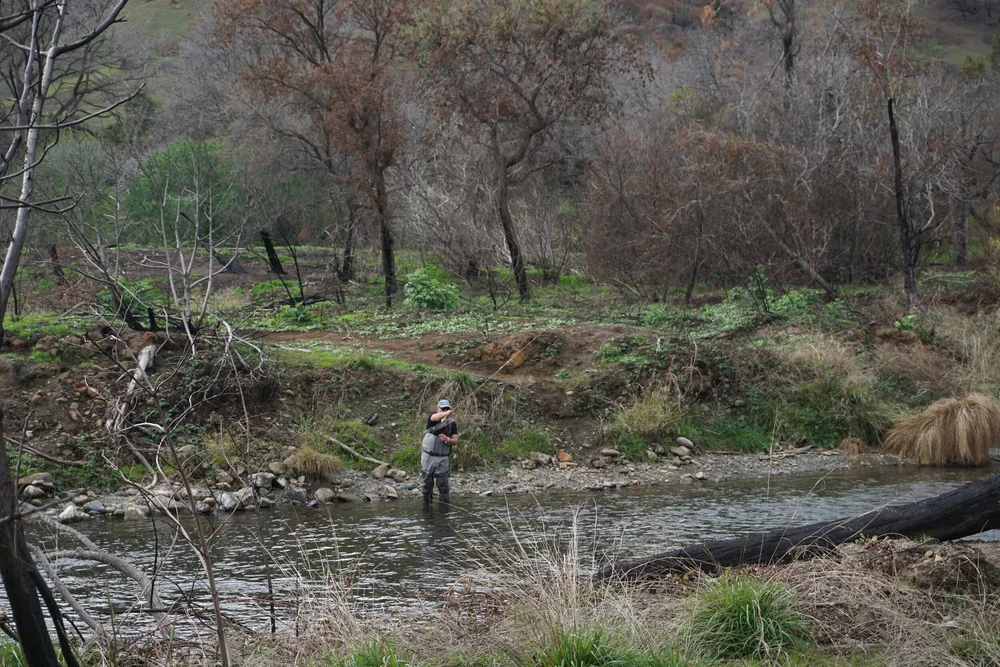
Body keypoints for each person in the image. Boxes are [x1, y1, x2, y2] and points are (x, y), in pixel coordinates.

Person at [422, 399, 458, 506]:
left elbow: (455, 441)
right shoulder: (432, 417)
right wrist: (445, 414)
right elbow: (435, 417)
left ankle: (444, 510)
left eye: (447, 409)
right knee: (427, 484)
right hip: (428, 457)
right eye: (443, 409)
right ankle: (426, 508)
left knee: (443, 485)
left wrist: (447, 439)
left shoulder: (452, 424)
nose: (445, 410)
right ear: (438, 408)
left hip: (443, 458)